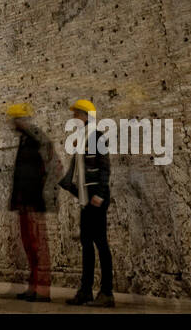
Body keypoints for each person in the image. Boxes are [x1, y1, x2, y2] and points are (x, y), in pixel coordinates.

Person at [59, 98, 114, 307]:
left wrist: (99, 194)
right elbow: (80, 171)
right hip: (85, 198)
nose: (74, 118)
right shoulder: (81, 139)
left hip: (96, 198)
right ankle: (85, 291)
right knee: (86, 243)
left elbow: (105, 168)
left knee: (100, 243)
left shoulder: (97, 136)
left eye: (77, 114)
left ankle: (107, 292)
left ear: (86, 116)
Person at [7, 103, 52, 302]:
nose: (14, 123)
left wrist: (32, 197)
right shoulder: (25, 141)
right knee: (29, 246)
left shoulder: (35, 140)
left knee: (37, 246)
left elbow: (42, 171)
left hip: (32, 202)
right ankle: (33, 287)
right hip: (24, 202)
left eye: (17, 119)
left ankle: (42, 290)